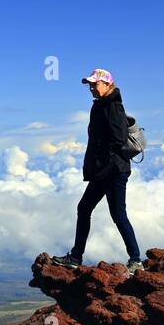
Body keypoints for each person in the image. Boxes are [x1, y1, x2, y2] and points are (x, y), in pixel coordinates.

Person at [54, 68, 142, 274]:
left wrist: (103, 161)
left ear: (107, 84)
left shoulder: (113, 106)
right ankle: (76, 257)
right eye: (90, 85)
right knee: (84, 208)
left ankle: (136, 260)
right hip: (104, 171)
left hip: (114, 171)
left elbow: (119, 139)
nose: (92, 88)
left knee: (118, 214)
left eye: (96, 84)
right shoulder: (101, 106)